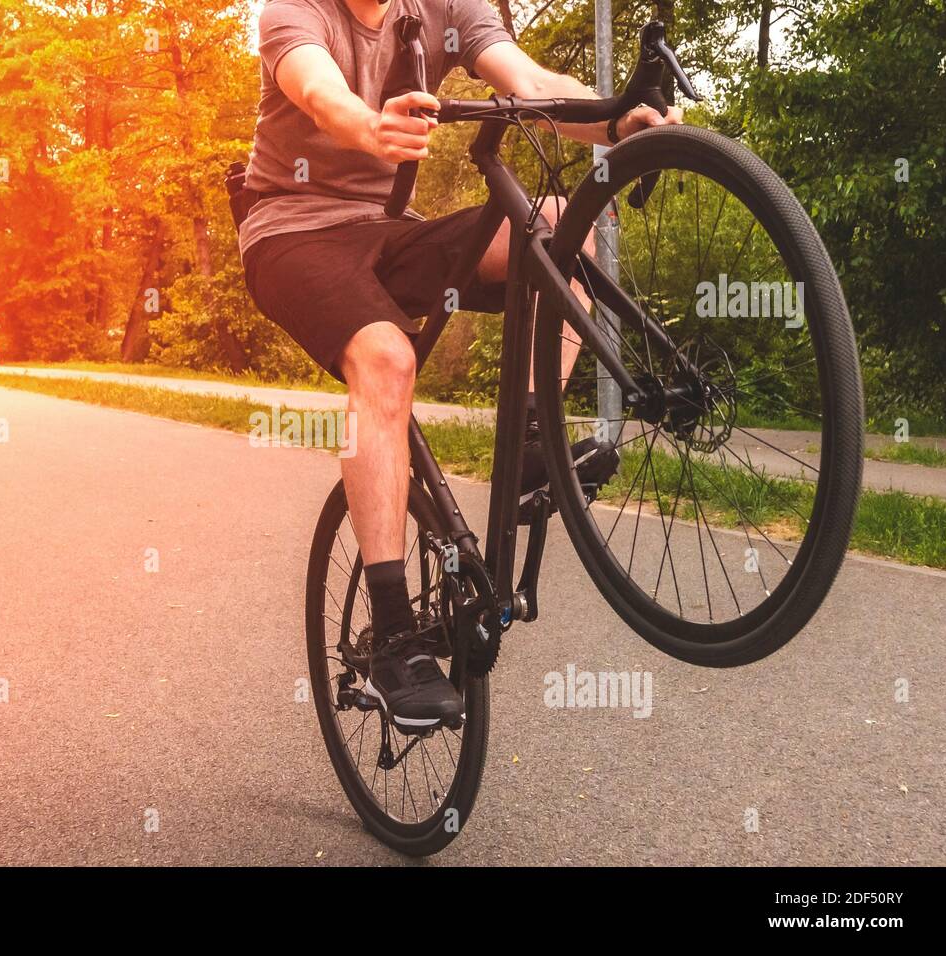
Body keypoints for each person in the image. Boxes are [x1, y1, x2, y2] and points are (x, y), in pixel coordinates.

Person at [239, 0, 682, 731]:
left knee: (560, 232)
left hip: (387, 231)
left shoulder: (446, 6)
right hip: (291, 231)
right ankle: (393, 640)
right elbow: (319, 92)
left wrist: (614, 120)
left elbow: (530, 81)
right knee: (384, 358)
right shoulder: (293, 10)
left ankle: (536, 443)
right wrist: (368, 125)